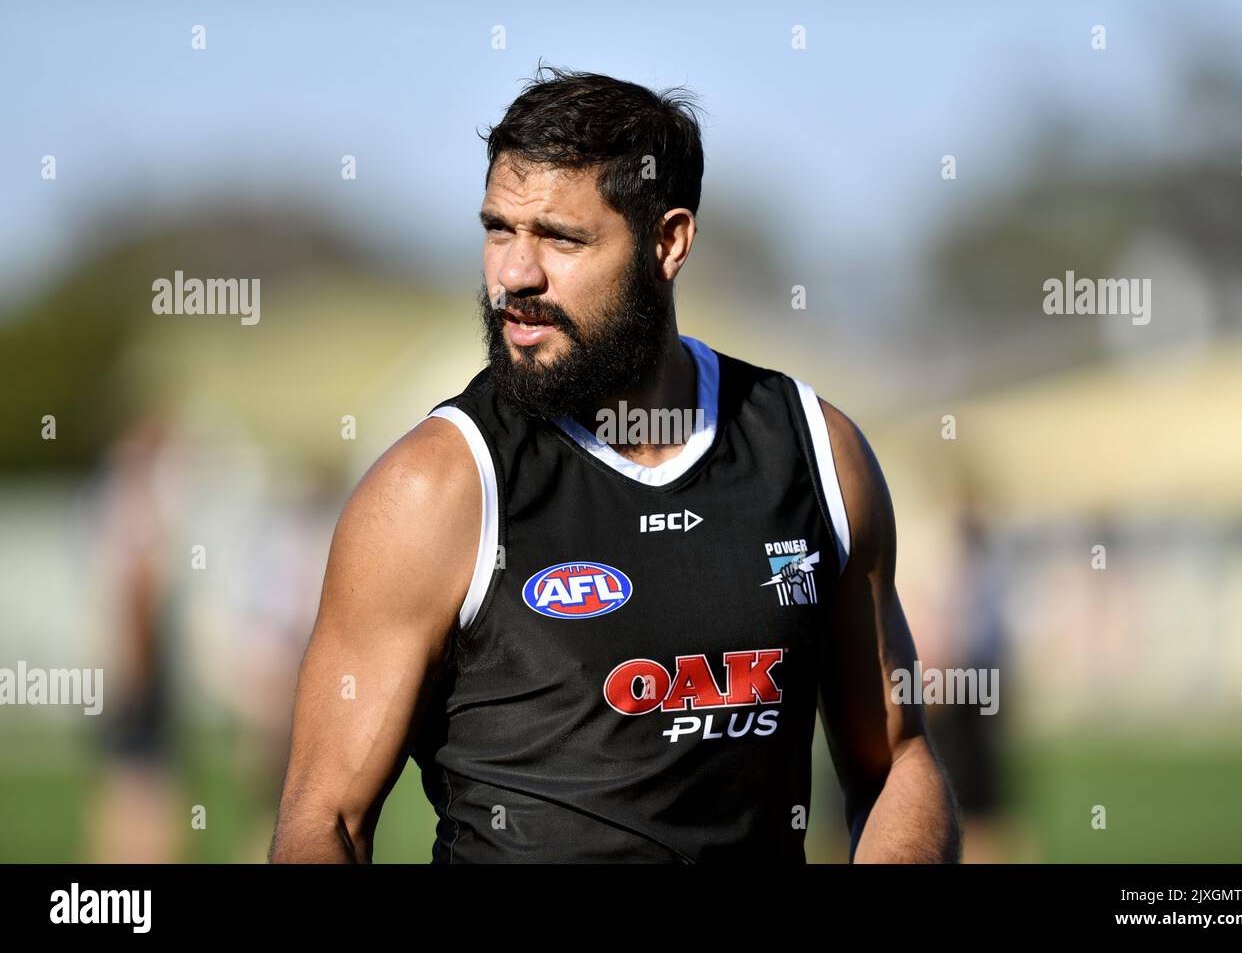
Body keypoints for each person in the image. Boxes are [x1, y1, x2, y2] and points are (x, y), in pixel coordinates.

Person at [269, 66, 959, 864]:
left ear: (669, 242)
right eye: (499, 230)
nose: (515, 276)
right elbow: (324, 823)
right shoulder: (437, 488)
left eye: (560, 237)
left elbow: (898, 760)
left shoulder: (814, 454)